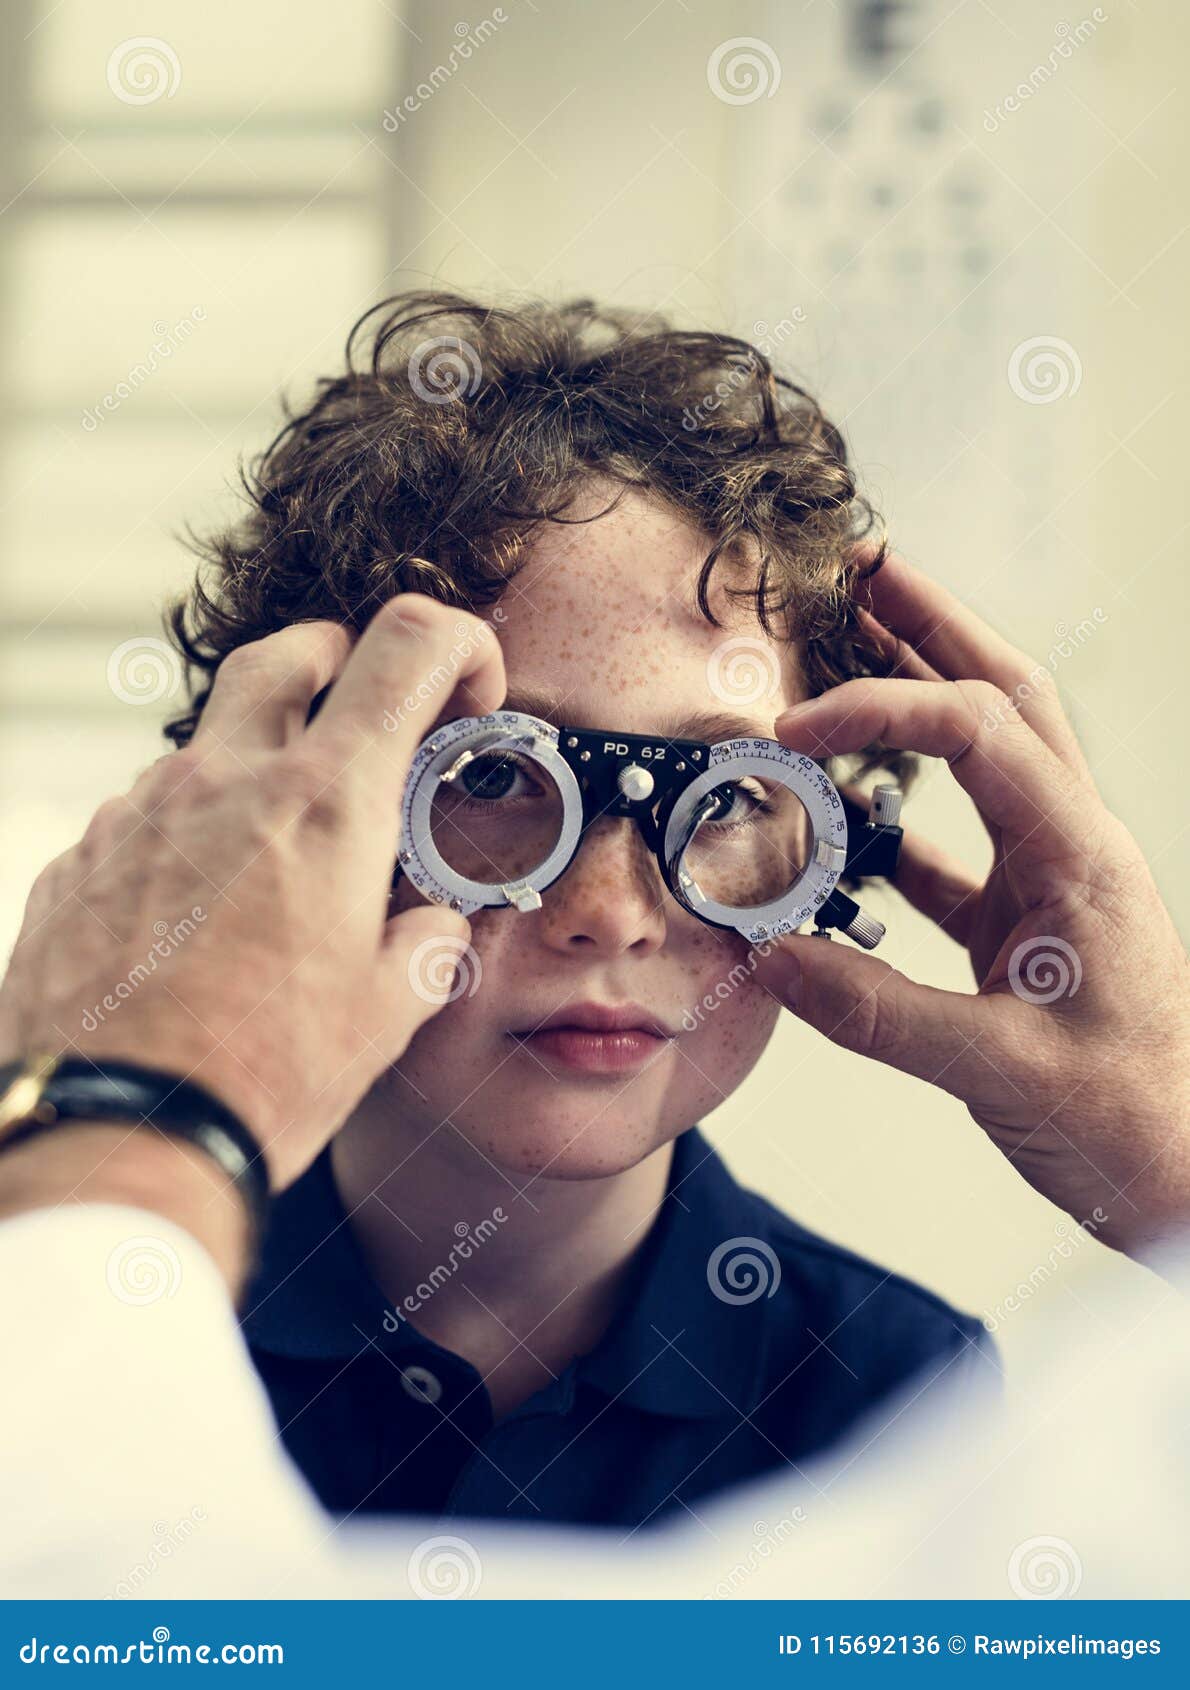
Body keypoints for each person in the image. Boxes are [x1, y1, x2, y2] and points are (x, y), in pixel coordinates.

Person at [0, 294, 1186, 1538]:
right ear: (283, 821)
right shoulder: (105, 1281)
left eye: (726, 796)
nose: (609, 915)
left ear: (834, 847)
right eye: (495, 777)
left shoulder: (895, 1399)